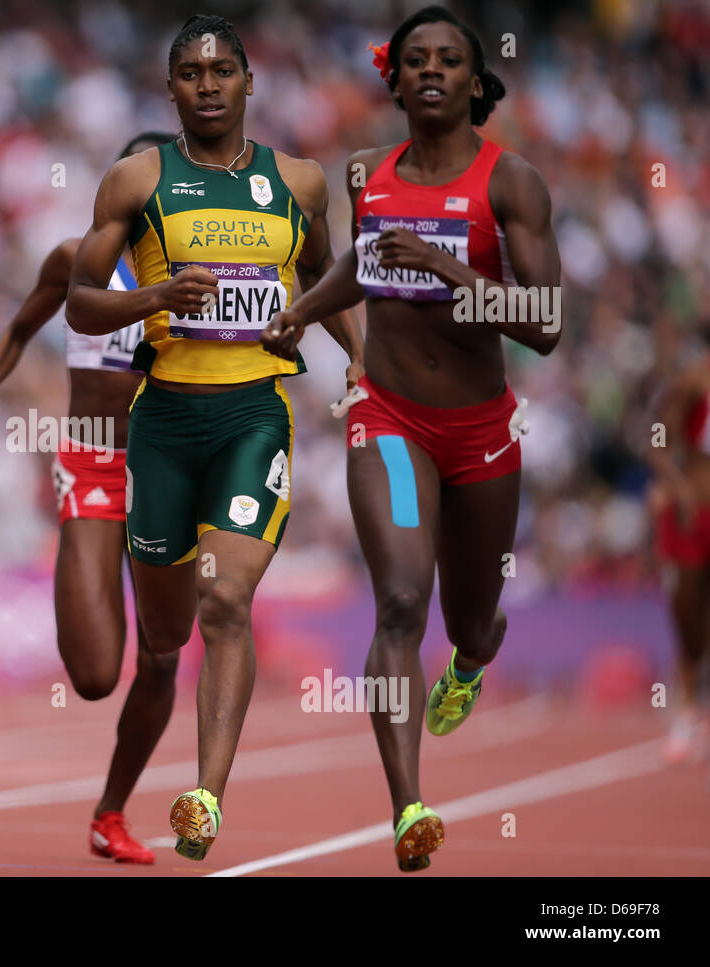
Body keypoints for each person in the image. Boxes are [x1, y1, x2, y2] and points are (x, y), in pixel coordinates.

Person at [264, 5, 562, 870]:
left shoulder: (514, 185)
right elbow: (361, 264)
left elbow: (545, 323)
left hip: (480, 433)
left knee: (467, 617)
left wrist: (451, 269)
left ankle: (473, 653)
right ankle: (409, 808)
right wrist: (301, 311)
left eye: (448, 60)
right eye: (414, 60)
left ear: (476, 82)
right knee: (400, 599)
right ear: (392, 79)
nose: (430, 71)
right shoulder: (366, 172)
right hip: (388, 415)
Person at [67, 14, 364, 861]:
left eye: (222, 70)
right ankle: (122, 789)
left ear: (248, 82)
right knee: (161, 642)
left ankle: (204, 795)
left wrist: (362, 363)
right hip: (161, 424)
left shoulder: (299, 182)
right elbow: (82, 303)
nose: (207, 84)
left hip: (253, 415)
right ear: (170, 90)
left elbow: (326, 280)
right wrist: (155, 299)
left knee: (225, 600)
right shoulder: (135, 181)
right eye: (190, 73)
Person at [0, 132, 179, 864]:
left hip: (174, 471)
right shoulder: (78, 258)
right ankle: (81, 565)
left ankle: (109, 812)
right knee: (91, 675)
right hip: (93, 460)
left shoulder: (211, 267)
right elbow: (21, 326)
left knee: (160, 659)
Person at [649, 329, 710, 763]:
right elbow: (656, 439)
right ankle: (687, 712)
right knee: (688, 614)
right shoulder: (694, 381)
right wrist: (678, 486)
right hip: (695, 512)